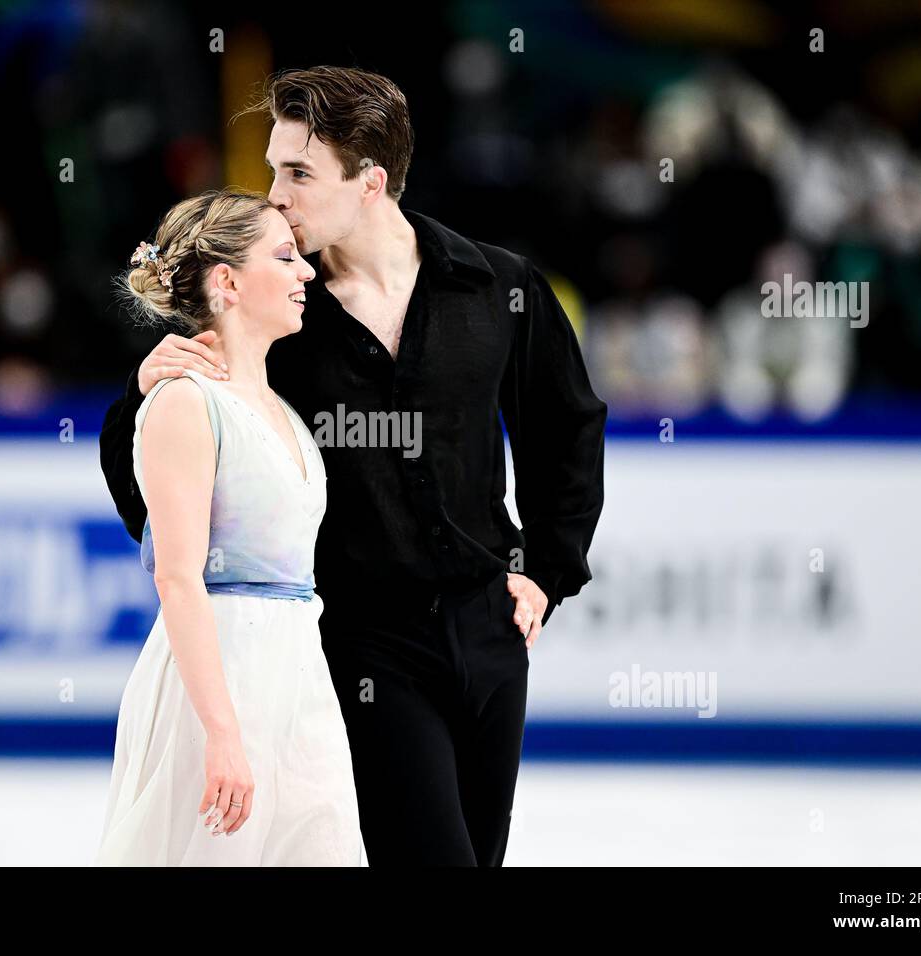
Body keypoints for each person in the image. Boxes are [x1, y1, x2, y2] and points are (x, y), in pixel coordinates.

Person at [100, 67, 607, 866]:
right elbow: (163, 473)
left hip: (490, 631)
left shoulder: (498, 287)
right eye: (273, 169)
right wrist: (139, 390)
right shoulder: (281, 309)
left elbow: (567, 428)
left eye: (297, 173)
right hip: (362, 644)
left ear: (370, 182)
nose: (275, 195)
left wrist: (546, 568)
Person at [95, 188, 363, 866]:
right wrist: (221, 731)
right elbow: (178, 577)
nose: (306, 271)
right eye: (284, 257)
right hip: (220, 682)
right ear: (227, 282)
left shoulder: (285, 410)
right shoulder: (186, 402)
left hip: (298, 681)